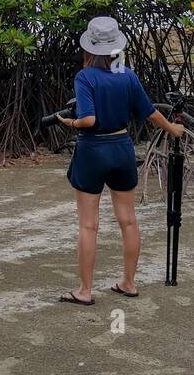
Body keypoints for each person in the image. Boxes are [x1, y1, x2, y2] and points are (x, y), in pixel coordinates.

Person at [56, 16, 185, 306]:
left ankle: (85, 291)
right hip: (122, 148)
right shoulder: (127, 75)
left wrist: (70, 123)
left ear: (90, 48)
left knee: (89, 225)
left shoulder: (85, 77)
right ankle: (128, 282)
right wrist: (173, 129)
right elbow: (150, 112)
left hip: (92, 152)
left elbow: (89, 119)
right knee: (128, 220)